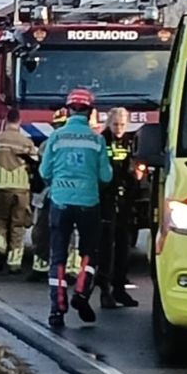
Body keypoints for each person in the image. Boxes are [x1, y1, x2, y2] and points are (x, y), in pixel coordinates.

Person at [40, 88, 112, 328]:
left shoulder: (56, 137)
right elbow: (106, 176)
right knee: (89, 253)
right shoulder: (97, 139)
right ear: (90, 111)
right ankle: (81, 292)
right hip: (89, 203)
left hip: (60, 202)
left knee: (58, 256)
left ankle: (56, 310)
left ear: (68, 110)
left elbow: (44, 172)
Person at [0, 108, 37, 273]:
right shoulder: (27, 143)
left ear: (6, 120)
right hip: (21, 190)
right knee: (17, 226)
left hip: (0, 188)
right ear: (19, 121)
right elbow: (34, 166)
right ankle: (14, 264)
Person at [97, 107, 140, 309]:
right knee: (107, 246)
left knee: (124, 245)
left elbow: (133, 165)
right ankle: (104, 290)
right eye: (115, 124)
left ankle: (120, 288)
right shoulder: (102, 140)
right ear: (109, 123)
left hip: (125, 200)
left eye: (122, 125)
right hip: (106, 198)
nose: (119, 128)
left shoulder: (130, 141)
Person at [28, 107, 68, 282]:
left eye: (62, 125)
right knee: (42, 231)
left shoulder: (71, 145)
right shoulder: (47, 145)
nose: (59, 129)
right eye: (57, 125)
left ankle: (69, 269)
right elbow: (41, 172)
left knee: (69, 234)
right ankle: (40, 267)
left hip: (66, 194)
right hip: (48, 194)